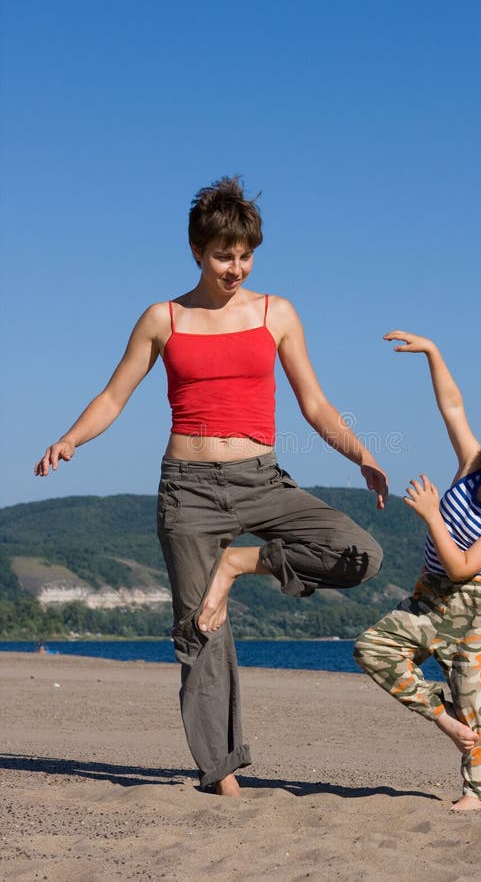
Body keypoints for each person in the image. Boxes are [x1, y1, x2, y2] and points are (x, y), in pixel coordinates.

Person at [35, 176, 387, 797]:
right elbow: (114, 395)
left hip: (263, 479)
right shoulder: (162, 318)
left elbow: (315, 403)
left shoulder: (277, 313)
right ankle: (221, 777)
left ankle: (241, 564)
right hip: (188, 490)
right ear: (198, 250)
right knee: (201, 631)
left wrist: (361, 455)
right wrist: (71, 438)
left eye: (245, 254)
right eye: (224, 254)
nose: (236, 267)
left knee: (360, 553)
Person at [354, 330, 481, 810]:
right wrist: (433, 353)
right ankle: (442, 716)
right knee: (372, 649)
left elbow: (463, 566)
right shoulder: (471, 466)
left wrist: (431, 515)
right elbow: (452, 407)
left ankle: (477, 793)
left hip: (476, 616)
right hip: (430, 598)